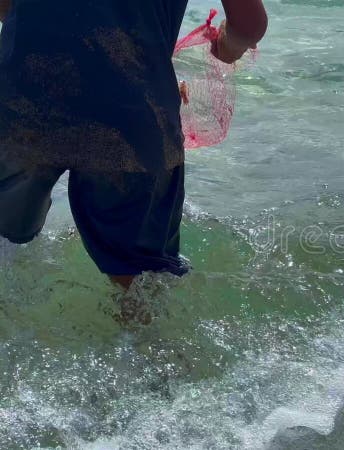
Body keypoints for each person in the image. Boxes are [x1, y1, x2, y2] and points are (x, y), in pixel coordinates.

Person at [0, 0, 268, 290]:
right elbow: (248, 26)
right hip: (133, 114)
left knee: (4, 244)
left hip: (20, 102)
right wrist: (227, 47)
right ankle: (137, 333)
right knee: (139, 281)